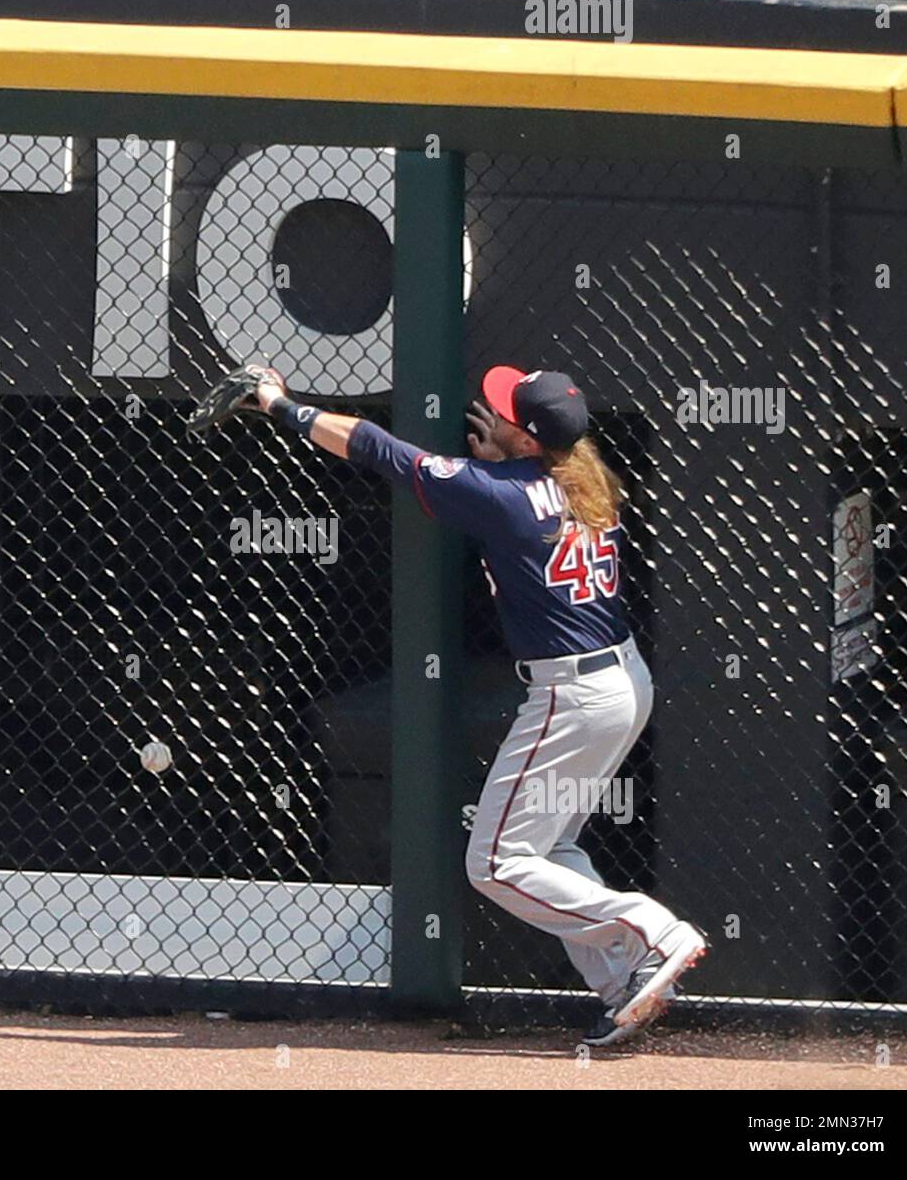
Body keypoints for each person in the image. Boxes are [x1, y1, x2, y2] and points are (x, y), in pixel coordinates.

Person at [250, 364, 706, 1046]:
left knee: (494, 862)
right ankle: (621, 979)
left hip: (573, 695)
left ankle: (653, 930)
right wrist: (497, 461)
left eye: (507, 412)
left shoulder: (498, 492)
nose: (492, 412)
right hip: (622, 680)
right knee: (550, 847)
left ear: (525, 441)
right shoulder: (587, 481)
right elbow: (519, 493)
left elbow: (379, 448)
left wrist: (282, 405)